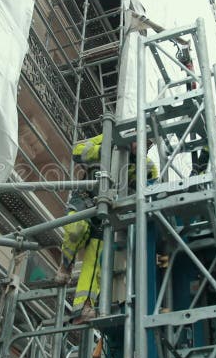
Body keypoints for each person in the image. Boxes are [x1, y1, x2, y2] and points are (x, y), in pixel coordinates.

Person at [54, 134, 157, 325]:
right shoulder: (107, 137)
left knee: (96, 260)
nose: (141, 146)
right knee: (75, 229)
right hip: (85, 197)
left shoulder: (146, 165)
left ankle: (83, 307)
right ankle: (66, 264)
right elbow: (78, 151)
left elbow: (152, 186)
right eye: (140, 140)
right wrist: (105, 151)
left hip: (109, 209)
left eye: (147, 143)